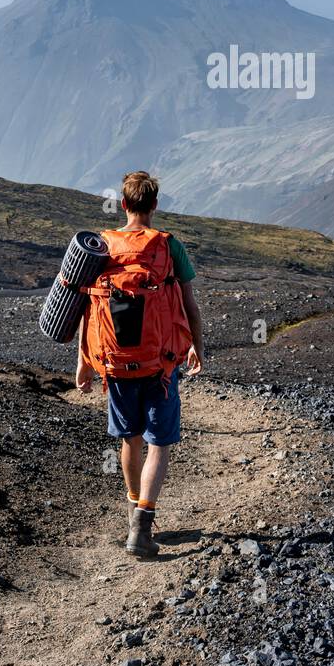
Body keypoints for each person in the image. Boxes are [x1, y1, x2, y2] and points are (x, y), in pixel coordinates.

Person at [75, 171, 204, 559]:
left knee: (129, 439)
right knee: (158, 444)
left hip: (115, 364)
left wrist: (85, 362)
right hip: (160, 363)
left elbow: (87, 309)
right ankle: (142, 528)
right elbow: (189, 305)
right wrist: (196, 346)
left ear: (125, 205)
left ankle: (135, 512)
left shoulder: (103, 247)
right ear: (154, 205)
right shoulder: (168, 246)